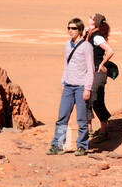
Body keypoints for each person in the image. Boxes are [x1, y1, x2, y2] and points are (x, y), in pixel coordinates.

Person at [47, 18, 94, 157]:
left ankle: (82, 146)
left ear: (80, 30)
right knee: (62, 117)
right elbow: (66, 65)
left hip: (81, 87)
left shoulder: (87, 47)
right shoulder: (67, 45)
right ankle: (57, 145)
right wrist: (63, 82)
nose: (70, 31)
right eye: (68, 28)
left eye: (73, 28)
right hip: (68, 86)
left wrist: (88, 88)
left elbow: (90, 69)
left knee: (81, 119)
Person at [84, 12, 115, 143]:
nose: (88, 17)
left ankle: (103, 130)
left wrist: (101, 64)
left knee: (95, 100)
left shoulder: (97, 37)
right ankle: (88, 129)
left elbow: (110, 51)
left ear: (95, 22)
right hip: (88, 71)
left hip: (97, 73)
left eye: (91, 17)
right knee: (86, 99)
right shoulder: (88, 34)